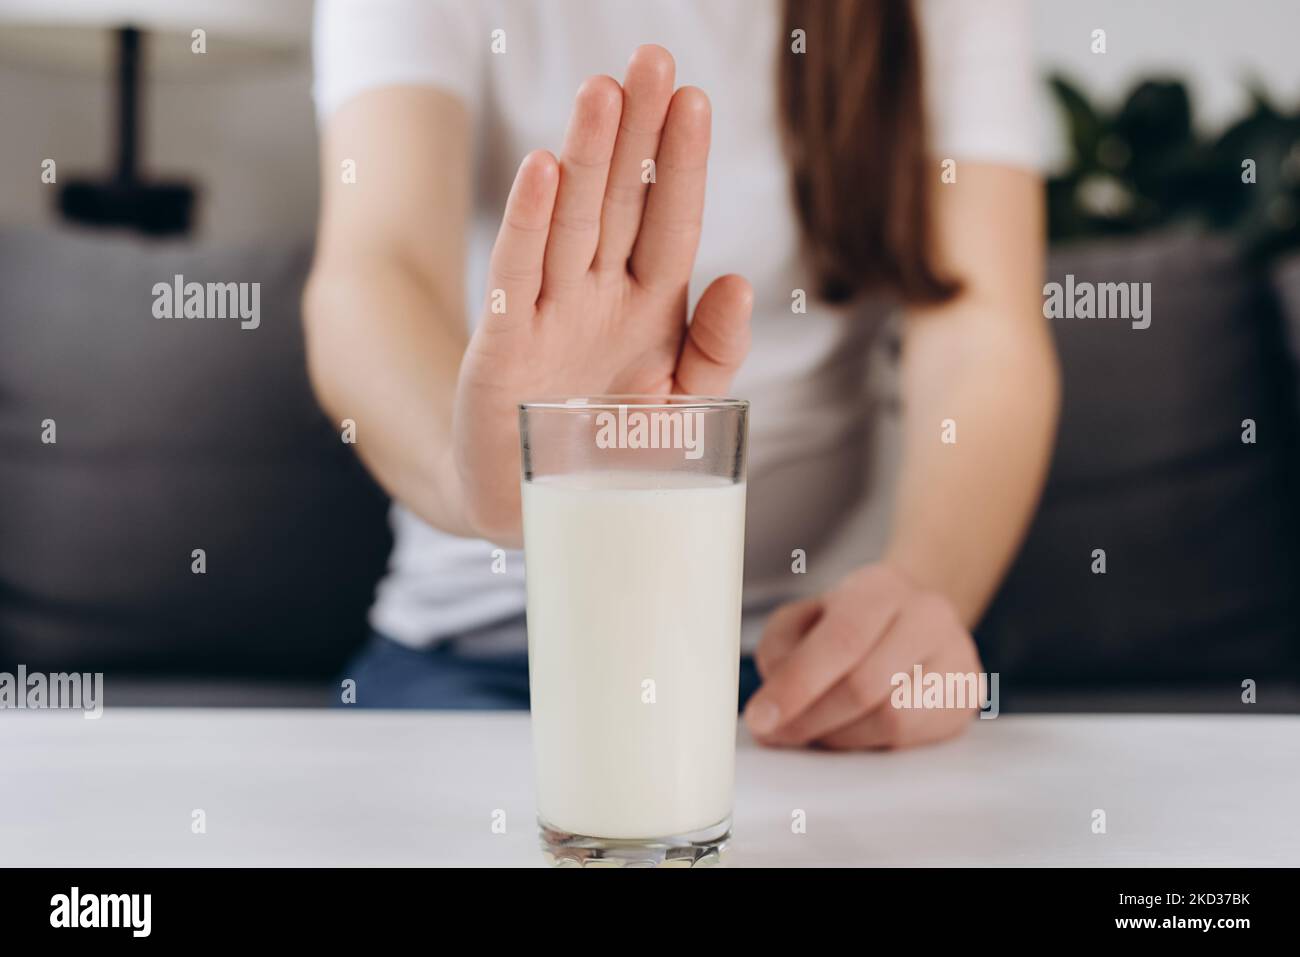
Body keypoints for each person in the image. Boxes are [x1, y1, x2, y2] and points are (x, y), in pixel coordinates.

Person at [305, 0, 1059, 750]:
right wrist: (470, 473)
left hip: (827, 652)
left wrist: (922, 594)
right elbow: (374, 271)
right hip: (489, 651)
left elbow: (982, 330)